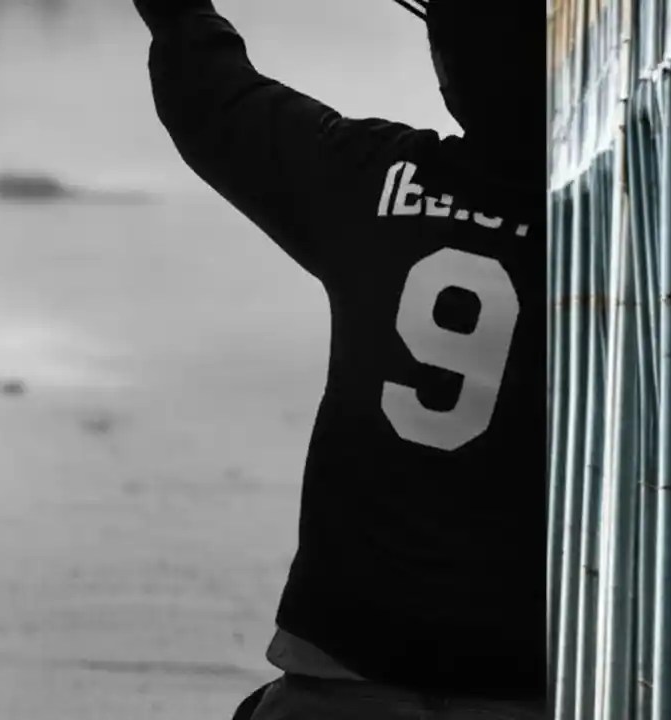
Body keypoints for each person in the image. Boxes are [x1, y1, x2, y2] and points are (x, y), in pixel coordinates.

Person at [131, 1, 546, 717]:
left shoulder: (370, 180)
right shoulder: (628, 217)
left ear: (448, 72)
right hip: (525, 682)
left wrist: (180, 11)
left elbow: (212, 92)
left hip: (339, 675)